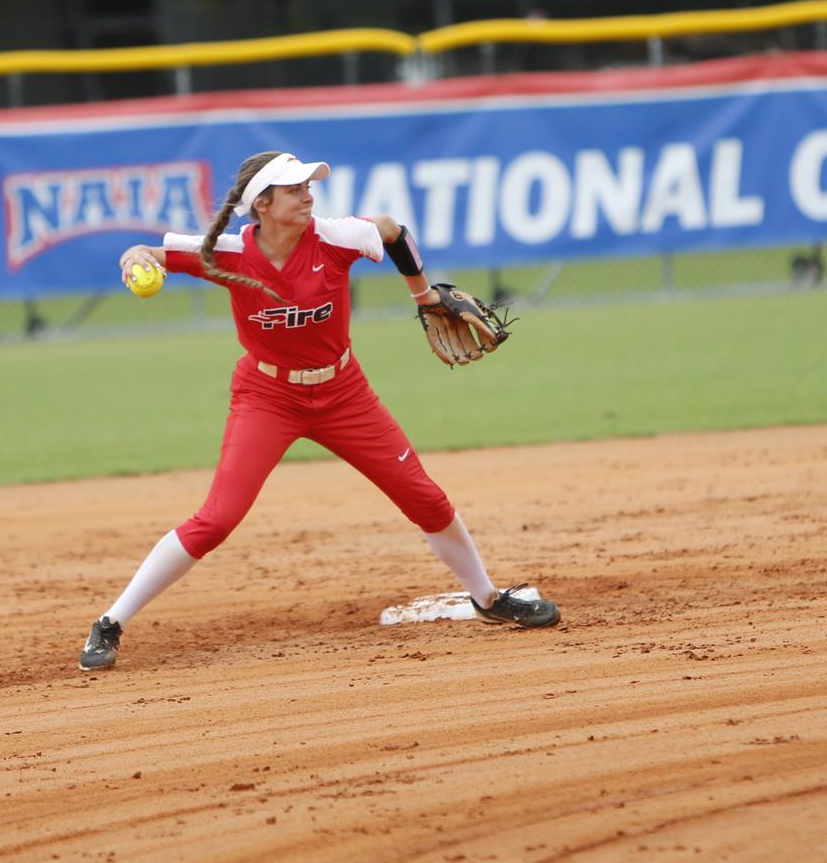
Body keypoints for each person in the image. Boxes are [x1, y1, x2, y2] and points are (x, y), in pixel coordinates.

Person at [80, 150, 557, 671]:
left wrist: (423, 297)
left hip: (344, 394)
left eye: (309, 186)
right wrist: (135, 258)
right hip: (268, 398)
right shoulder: (229, 252)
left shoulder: (334, 237)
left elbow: (392, 230)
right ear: (261, 204)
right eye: (294, 189)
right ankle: (111, 622)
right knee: (216, 520)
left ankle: (487, 598)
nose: (308, 195)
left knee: (423, 496)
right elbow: (148, 249)